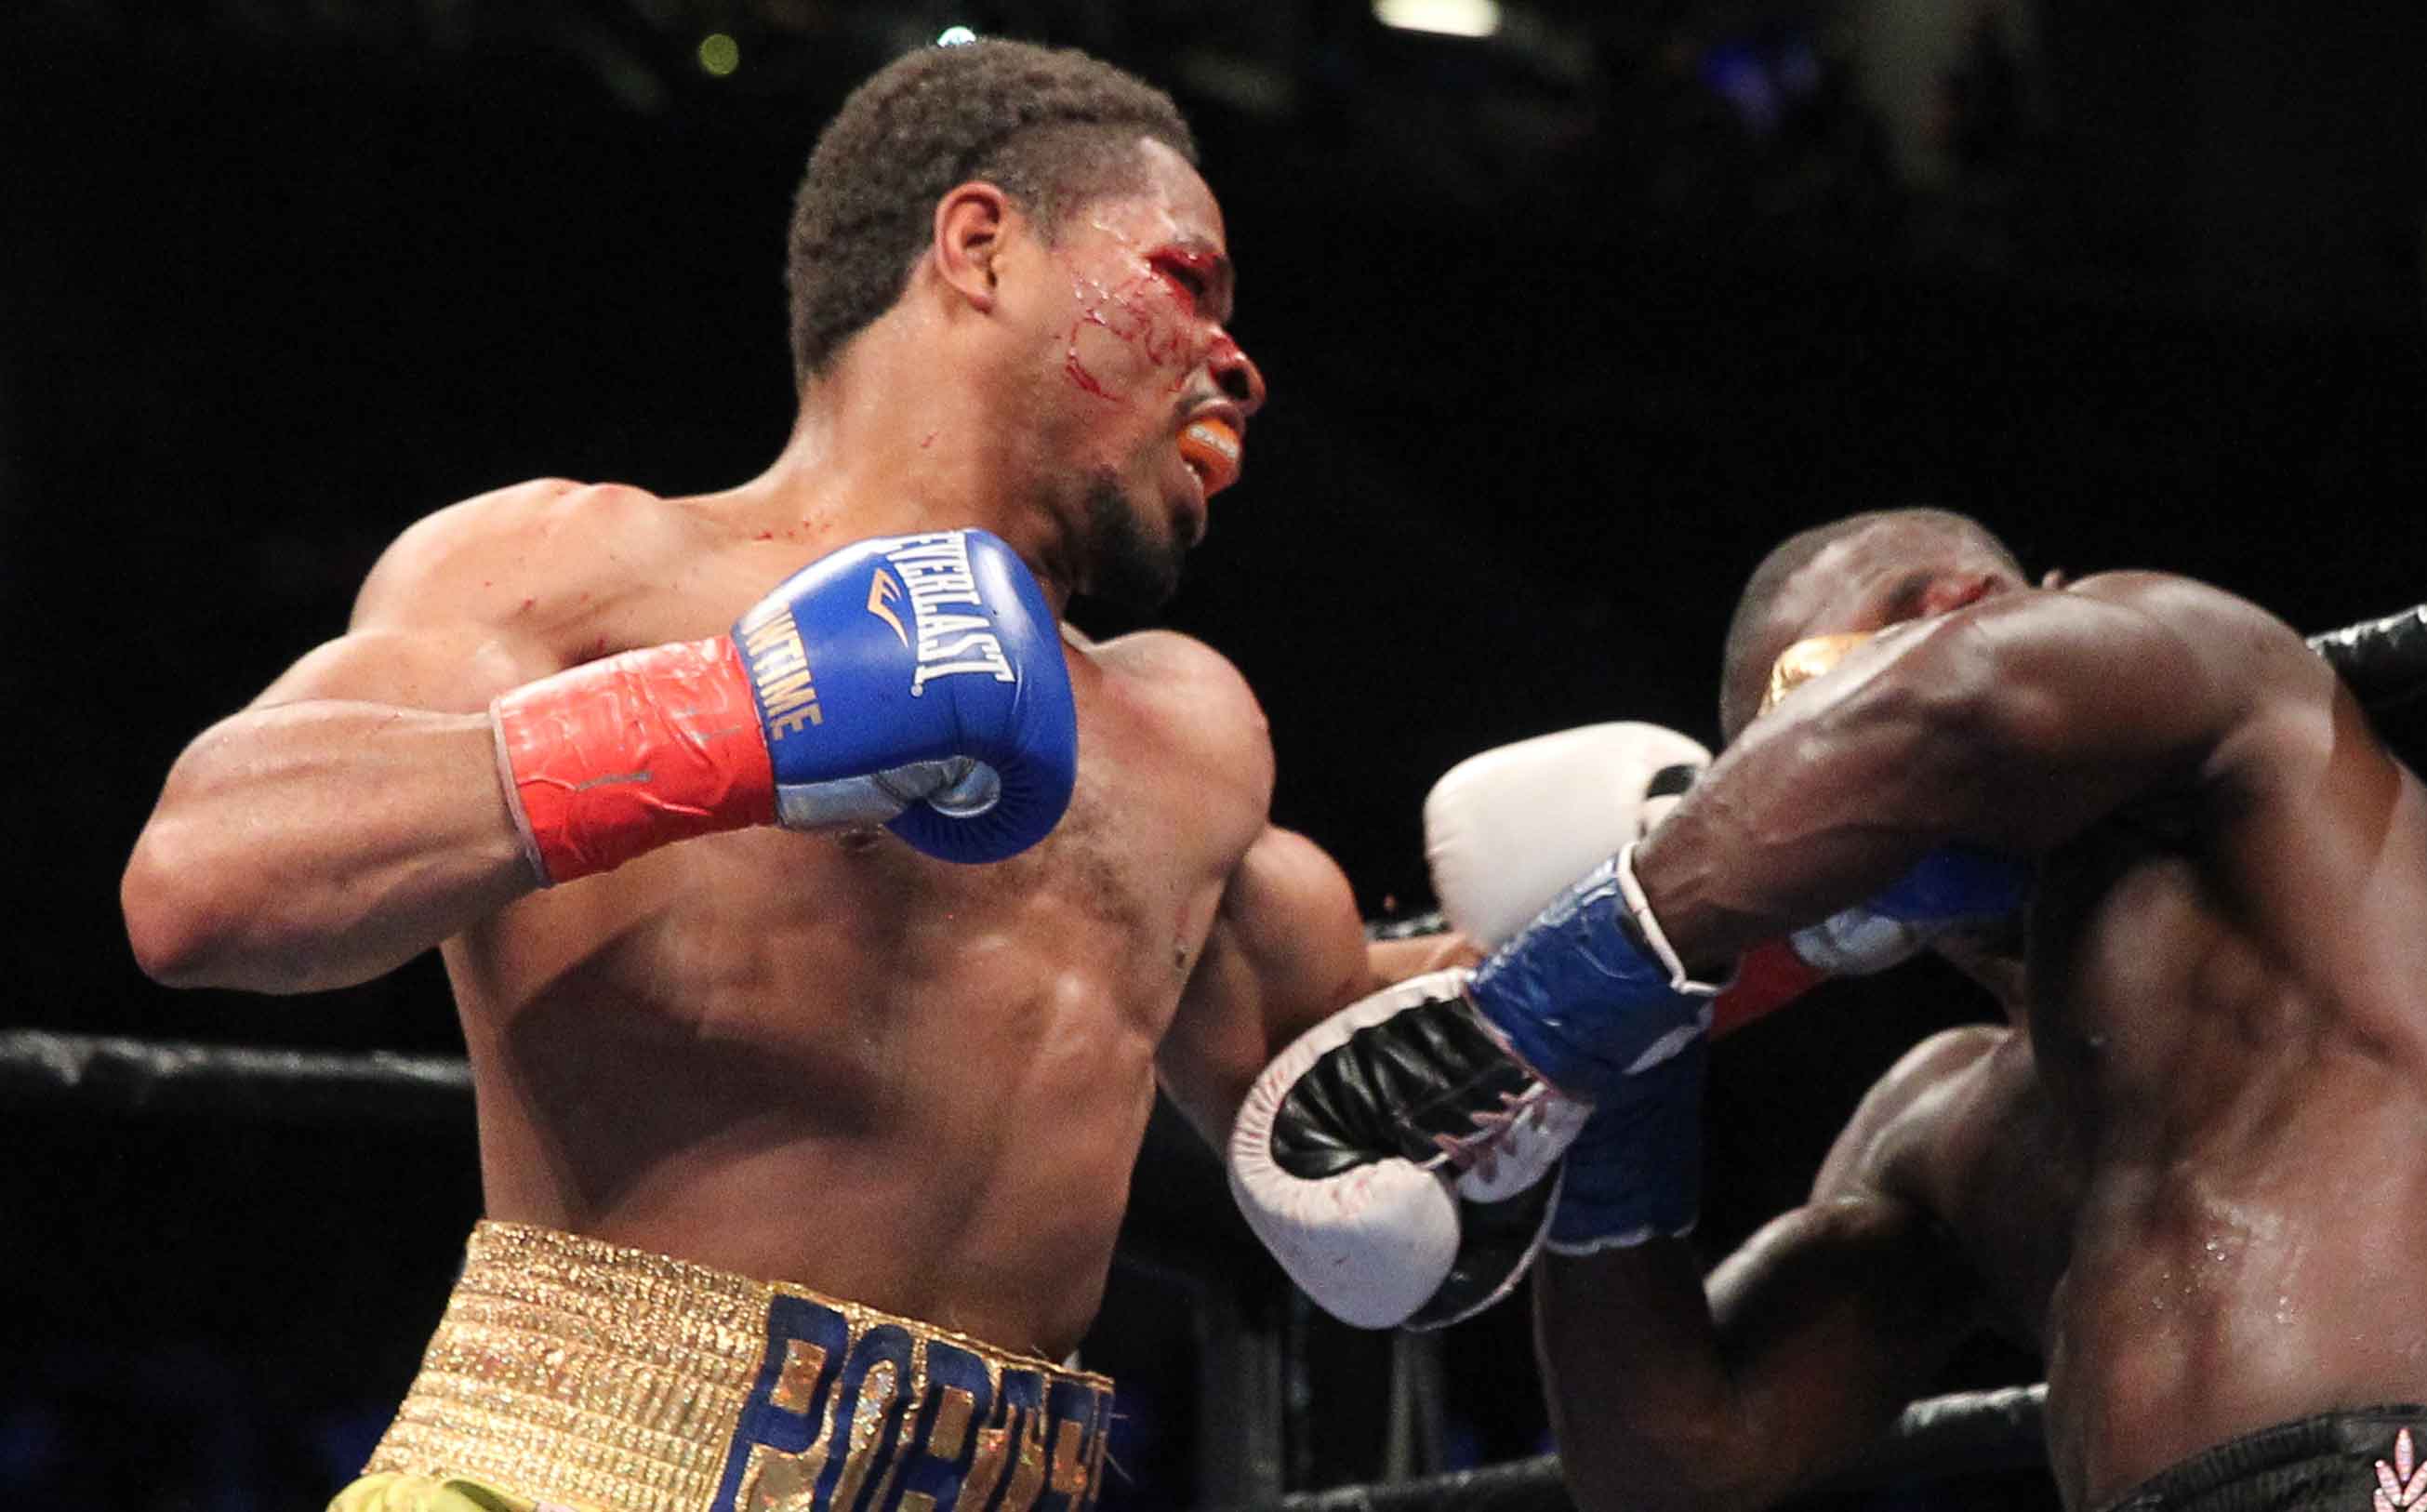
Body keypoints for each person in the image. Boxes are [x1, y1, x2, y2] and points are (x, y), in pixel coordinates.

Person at [121, 38, 1449, 1512]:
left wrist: (1628, 929)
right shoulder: (593, 575)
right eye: (1186, 281)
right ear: (980, 247)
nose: (1237, 363)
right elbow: (200, 879)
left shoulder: (1190, 739)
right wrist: (736, 717)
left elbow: (1356, 1076)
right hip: (569, 1476)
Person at [1241, 508, 2427, 1512]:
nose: (1951, 622)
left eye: (1823, 699)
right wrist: (1622, 1065)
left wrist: (1536, 1004)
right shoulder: (1949, 1128)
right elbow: (1672, 1466)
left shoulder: (2233, 685)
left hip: (2404, 1479)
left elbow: (1952, 710)